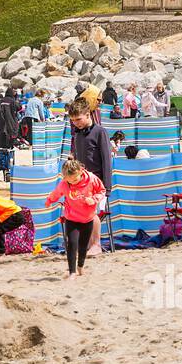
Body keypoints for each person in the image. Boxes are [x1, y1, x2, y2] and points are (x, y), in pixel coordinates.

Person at [45, 157, 105, 278]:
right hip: (71, 218)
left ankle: (80, 267)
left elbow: (102, 191)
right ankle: (72, 272)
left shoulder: (92, 179)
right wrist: (49, 201)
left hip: (87, 219)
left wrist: (93, 200)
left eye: (75, 179)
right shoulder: (64, 184)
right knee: (72, 244)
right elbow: (56, 193)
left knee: (83, 246)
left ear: (81, 171)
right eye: (69, 181)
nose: (73, 183)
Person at [67, 96, 112, 255]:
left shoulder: (100, 132)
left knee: (89, 211)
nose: (76, 123)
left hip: (98, 184)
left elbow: (107, 160)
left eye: (78, 119)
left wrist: (106, 188)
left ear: (88, 114)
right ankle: (85, 244)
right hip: (80, 183)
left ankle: (96, 245)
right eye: (73, 120)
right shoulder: (77, 135)